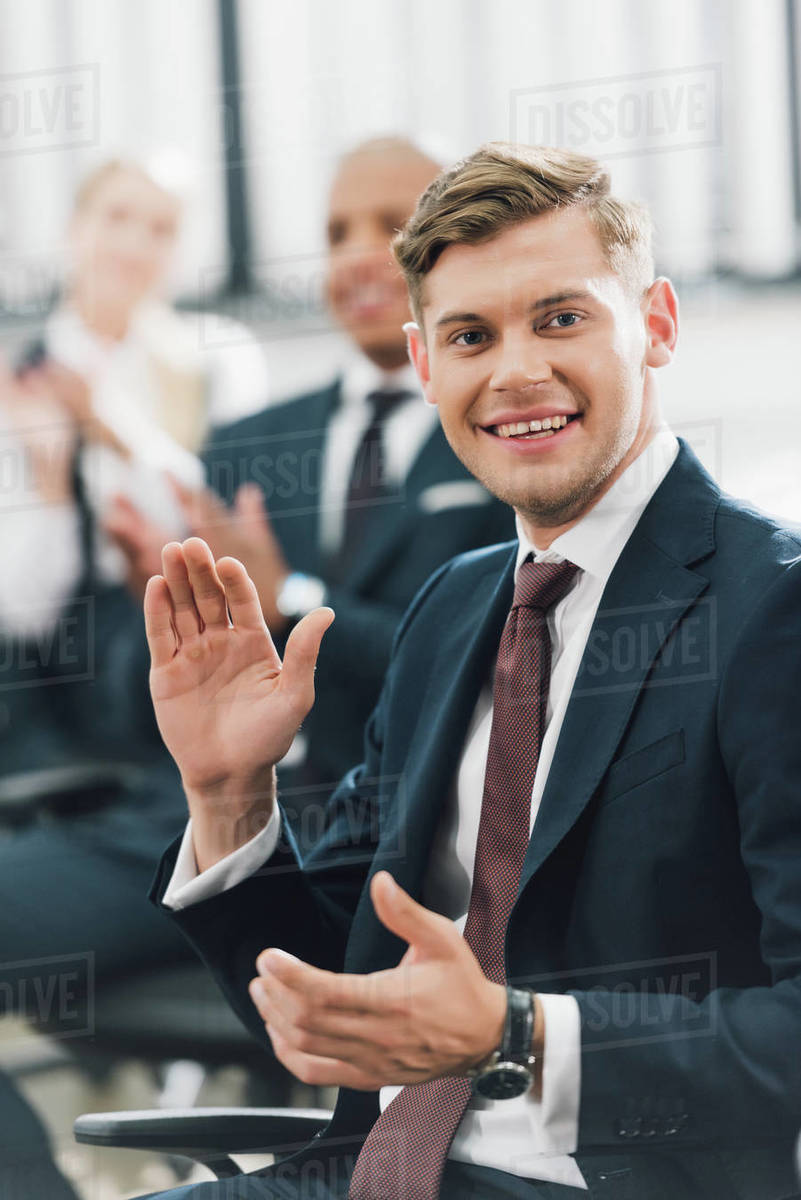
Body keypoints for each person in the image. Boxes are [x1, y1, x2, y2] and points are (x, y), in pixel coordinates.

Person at [138, 142, 801, 1199]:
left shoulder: (773, 606)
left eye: (561, 317)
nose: (516, 371)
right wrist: (227, 798)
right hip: (371, 1171)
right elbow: (328, 983)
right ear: (426, 361)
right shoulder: (452, 610)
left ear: (658, 324)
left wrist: (520, 1036)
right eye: (470, 336)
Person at [108, 137, 512, 841]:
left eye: (393, 226)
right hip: (198, 824)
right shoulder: (247, 443)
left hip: (413, 836)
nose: (359, 252)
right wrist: (164, 615)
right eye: (335, 233)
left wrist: (291, 599)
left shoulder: (511, 436)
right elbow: (135, 721)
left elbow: (481, 677)